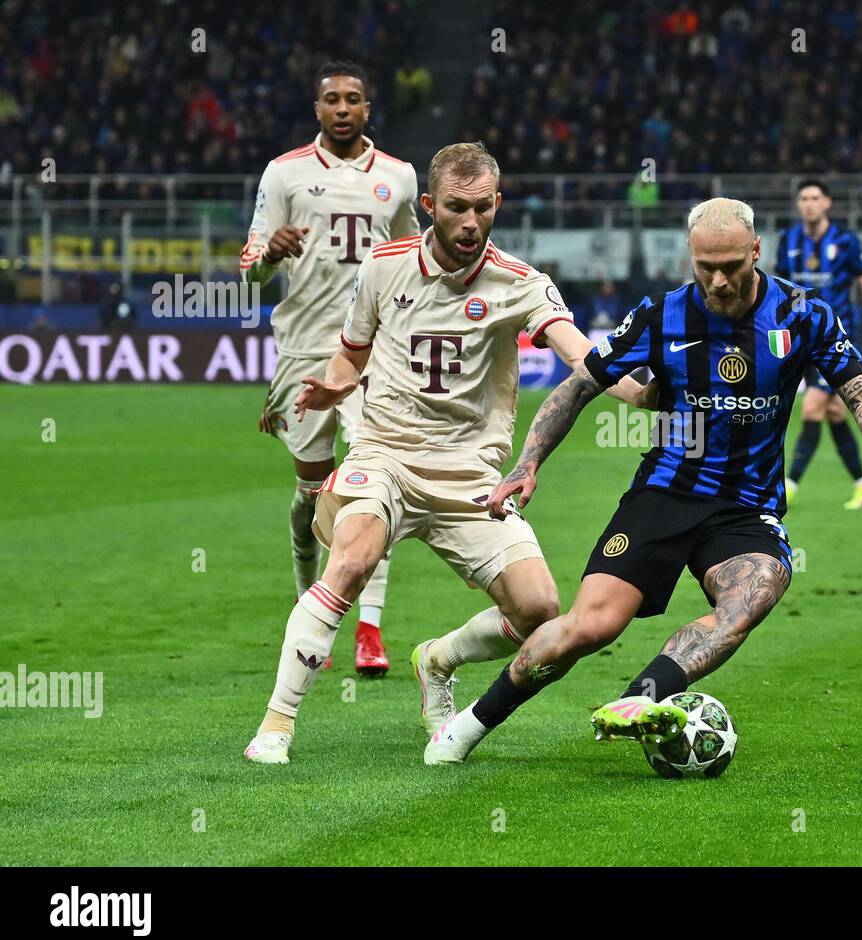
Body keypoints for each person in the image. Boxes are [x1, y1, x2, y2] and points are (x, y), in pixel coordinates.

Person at [423, 197, 862, 765]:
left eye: (732, 265)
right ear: (691, 255)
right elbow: (578, 387)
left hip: (744, 506)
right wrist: (528, 464)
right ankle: (466, 728)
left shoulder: (803, 314)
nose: (720, 280)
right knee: (589, 627)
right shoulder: (661, 314)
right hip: (664, 492)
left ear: (756, 252)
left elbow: (859, 387)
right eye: (706, 266)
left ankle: (643, 698)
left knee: (750, 598)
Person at [243, 142, 653, 764]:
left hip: (469, 474)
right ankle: (276, 726)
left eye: (482, 208)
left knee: (539, 611)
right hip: (384, 453)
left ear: (497, 205)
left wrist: (641, 394)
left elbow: (580, 356)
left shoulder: (520, 284)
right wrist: (336, 381)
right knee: (352, 559)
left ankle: (439, 659)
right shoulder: (383, 265)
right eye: (456, 208)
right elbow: (353, 350)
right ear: (429, 205)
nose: (470, 223)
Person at [241, 61, 419, 673]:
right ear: (317, 109)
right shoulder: (283, 172)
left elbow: (415, 260)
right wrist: (270, 253)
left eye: (354, 99)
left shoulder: (397, 176)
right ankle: (305, 600)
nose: (343, 108)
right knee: (312, 492)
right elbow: (252, 266)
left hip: (374, 352)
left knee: (373, 482)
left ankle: (369, 630)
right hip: (304, 346)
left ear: (368, 108)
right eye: (331, 100)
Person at [774, 179, 862, 510]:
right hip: (799, 337)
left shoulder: (846, 241)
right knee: (834, 411)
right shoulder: (788, 241)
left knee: (812, 406)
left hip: (835, 339)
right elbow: (778, 291)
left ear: (827, 202)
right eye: (803, 198)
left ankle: (789, 485)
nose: (809, 203)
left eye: (815, 197)